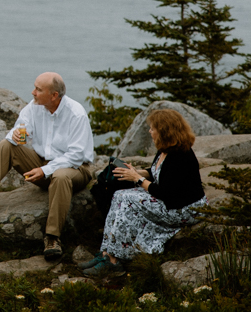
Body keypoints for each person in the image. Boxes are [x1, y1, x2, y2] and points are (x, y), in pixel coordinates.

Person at [0, 72, 93, 260]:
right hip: (43, 165)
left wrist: (45, 170)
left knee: (61, 175)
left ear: (54, 95)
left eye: (38, 89)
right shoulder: (35, 107)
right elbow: (21, 131)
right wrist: (15, 134)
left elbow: (76, 156)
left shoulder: (76, 113)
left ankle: (52, 237)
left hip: (75, 170)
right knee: (7, 145)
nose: (33, 92)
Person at [81, 109, 208, 277]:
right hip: (171, 201)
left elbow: (164, 193)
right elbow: (157, 172)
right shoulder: (165, 149)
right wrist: (137, 172)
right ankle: (106, 253)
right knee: (120, 195)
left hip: (184, 209)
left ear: (163, 130)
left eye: (152, 128)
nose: (150, 131)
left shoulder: (180, 155)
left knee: (126, 198)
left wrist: (137, 179)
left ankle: (114, 261)